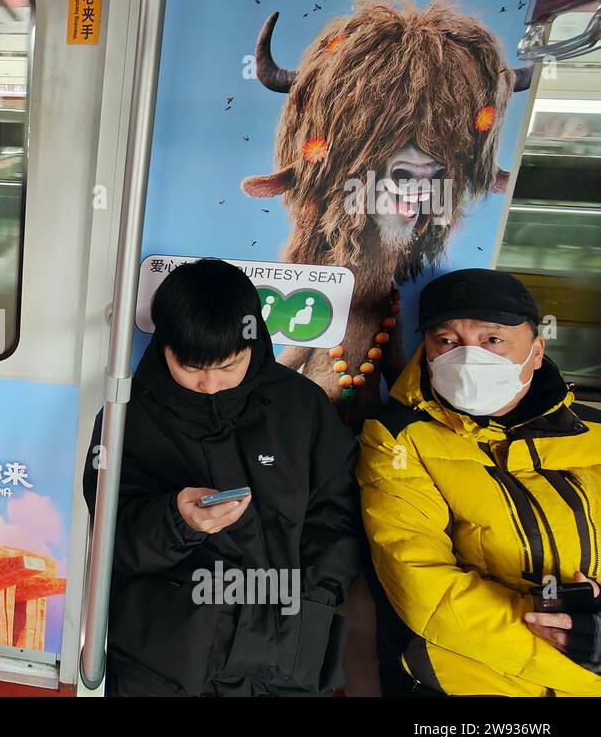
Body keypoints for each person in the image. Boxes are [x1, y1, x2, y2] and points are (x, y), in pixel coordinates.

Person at [83, 258, 362, 696]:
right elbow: (106, 541)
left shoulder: (301, 406)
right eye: (190, 367)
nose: (209, 384)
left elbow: (339, 514)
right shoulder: (127, 418)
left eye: (228, 366)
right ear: (164, 346)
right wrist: (177, 521)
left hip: (288, 657)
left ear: (254, 343)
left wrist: (312, 598)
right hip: (166, 660)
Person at [358, 268, 601, 696]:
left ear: (537, 350)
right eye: (447, 341)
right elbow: (424, 587)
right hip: (464, 680)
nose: (469, 357)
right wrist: (582, 662)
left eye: (492, 340)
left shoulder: (593, 431)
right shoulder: (399, 437)